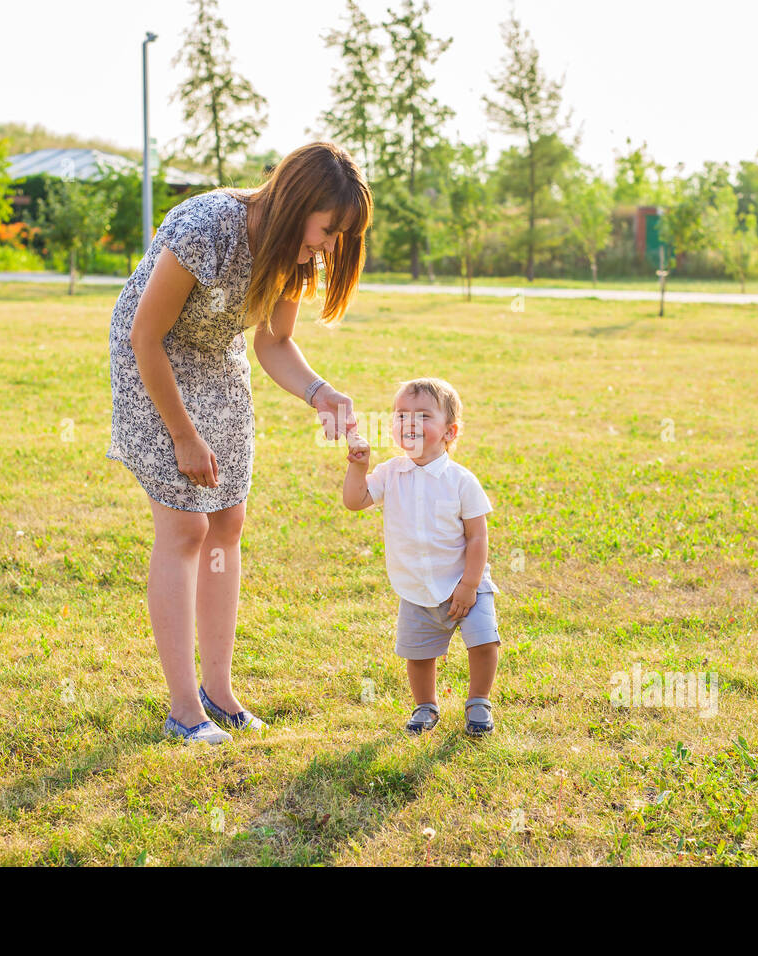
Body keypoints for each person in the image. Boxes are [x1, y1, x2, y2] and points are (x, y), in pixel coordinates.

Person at [107, 142, 373, 744]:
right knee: (186, 529)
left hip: (217, 359)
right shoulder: (207, 227)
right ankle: (183, 709)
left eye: (340, 236)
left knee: (227, 522)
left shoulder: (294, 255)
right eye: (328, 229)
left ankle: (219, 693)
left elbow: (274, 343)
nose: (330, 246)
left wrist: (321, 393)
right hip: (152, 357)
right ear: (298, 202)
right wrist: (183, 434)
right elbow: (146, 335)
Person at [342, 377, 502, 736]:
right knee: (418, 653)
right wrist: (358, 466)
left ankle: (478, 701)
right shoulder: (389, 474)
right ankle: (425, 705)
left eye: (423, 416)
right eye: (401, 415)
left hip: (465, 582)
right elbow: (354, 502)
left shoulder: (461, 481)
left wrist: (470, 585)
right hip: (414, 585)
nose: (409, 423)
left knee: (484, 641)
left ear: (450, 431)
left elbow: (477, 537)